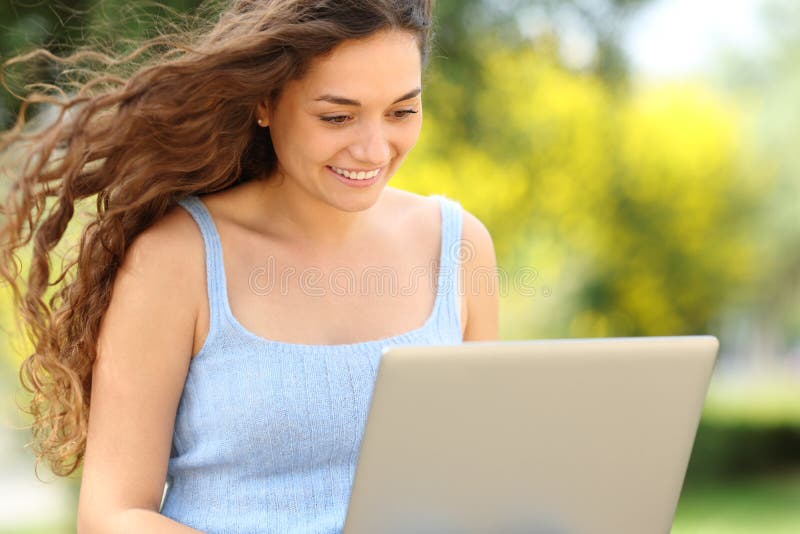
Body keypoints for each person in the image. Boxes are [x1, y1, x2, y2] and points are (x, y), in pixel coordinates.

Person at [0, 0, 498, 531]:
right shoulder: (179, 257)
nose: (374, 148)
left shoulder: (460, 246)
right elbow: (112, 514)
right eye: (337, 116)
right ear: (265, 101)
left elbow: (487, 477)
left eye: (401, 111)